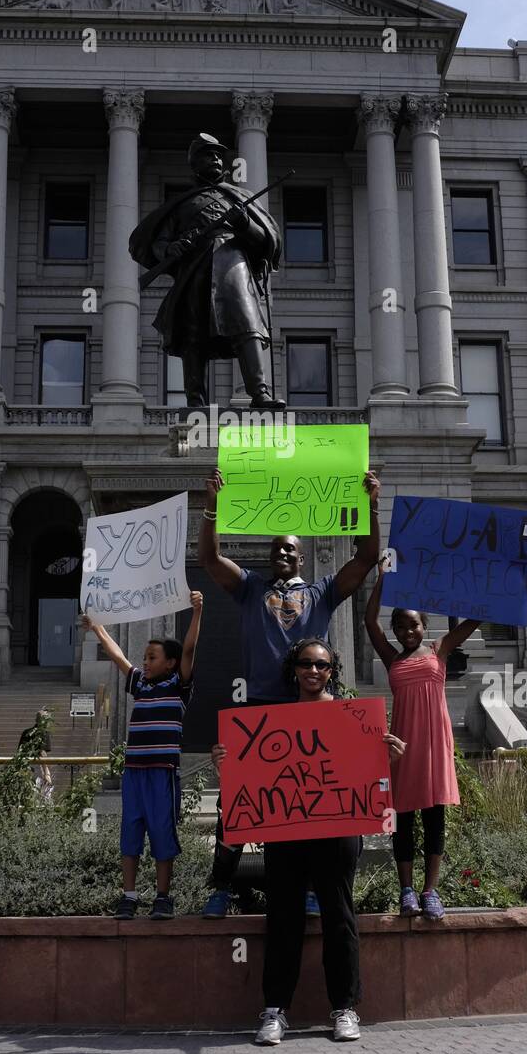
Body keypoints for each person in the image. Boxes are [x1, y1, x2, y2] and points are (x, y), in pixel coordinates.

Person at [199, 466, 382, 918]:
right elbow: (208, 559)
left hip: (313, 712)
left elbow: (364, 560)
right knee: (238, 803)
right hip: (261, 710)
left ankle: (318, 892)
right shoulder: (249, 589)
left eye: (291, 548)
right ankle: (222, 888)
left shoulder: (322, 593)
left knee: (318, 804)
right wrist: (211, 507)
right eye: (276, 547)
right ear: (270, 556)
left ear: (302, 558)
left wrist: (372, 506)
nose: (282, 551)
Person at [212, 638, 405, 1046]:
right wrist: (226, 764)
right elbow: (252, 775)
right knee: (283, 917)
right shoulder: (273, 720)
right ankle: (275, 1010)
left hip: (338, 830)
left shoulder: (352, 718)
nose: (313, 671)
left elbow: (374, 776)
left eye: (321, 665)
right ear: (294, 669)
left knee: (339, 915)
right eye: (305, 664)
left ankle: (345, 1008)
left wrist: (390, 758)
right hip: (286, 831)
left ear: (332, 670)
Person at [364, 562, 527, 919]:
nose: (406, 630)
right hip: (403, 748)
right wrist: (382, 579)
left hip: (434, 744)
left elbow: (477, 615)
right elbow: (370, 623)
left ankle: (430, 891)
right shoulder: (392, 657)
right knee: (404, 819)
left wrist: (518, 586)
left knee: (434, 818)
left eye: (412, 624)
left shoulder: (439, 649)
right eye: (400, 626)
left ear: (424, 625)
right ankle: (406, 891)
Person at [129, 133, 284, 409]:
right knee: (193, 336)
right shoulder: (182, 205)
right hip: (193, 271)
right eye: (207, 155)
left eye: (217, 154)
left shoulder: (240, 198)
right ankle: (194, 400)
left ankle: (260, 394)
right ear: (194, 164)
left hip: (232, 265)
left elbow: (265, 240)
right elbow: (159, 243)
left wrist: (244, 224)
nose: (214, 159)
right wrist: (171, 250)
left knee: (248, 326)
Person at [80, 591, 203, 921]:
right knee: (130, 832)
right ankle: (129, 895)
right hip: (134, 772)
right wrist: (98, 628)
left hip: (162, 772)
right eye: (145, 657)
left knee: (163, 833)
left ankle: (163, 897)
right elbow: (118, 657)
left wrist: (196, 613)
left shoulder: (179, 686)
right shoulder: (140, 684)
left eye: (151, 657)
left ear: (171, 663)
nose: (144, 662)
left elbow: (189, 648)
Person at [19, 711, 53, 803]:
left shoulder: (26, 732)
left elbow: (20, 751)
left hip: (25, 766)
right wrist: (46, 772)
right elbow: (42, 753)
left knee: (27, 796)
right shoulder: (44, 733)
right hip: (39, 767)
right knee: (43, 796)